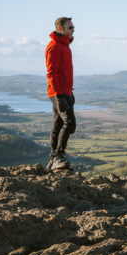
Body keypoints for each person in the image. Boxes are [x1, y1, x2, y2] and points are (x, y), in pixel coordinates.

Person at [45, 17, 76, 170]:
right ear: (60, 28)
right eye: (70, 27)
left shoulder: (65, 46)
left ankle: (54, 159)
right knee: (69, 123)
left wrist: (69, 93)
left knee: (58, 124)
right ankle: (58, 156)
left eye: (73, 27)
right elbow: (51, 73)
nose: (73, 30)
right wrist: (58, 96)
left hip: (65, 92)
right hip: (58, 92)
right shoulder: (54, 47)